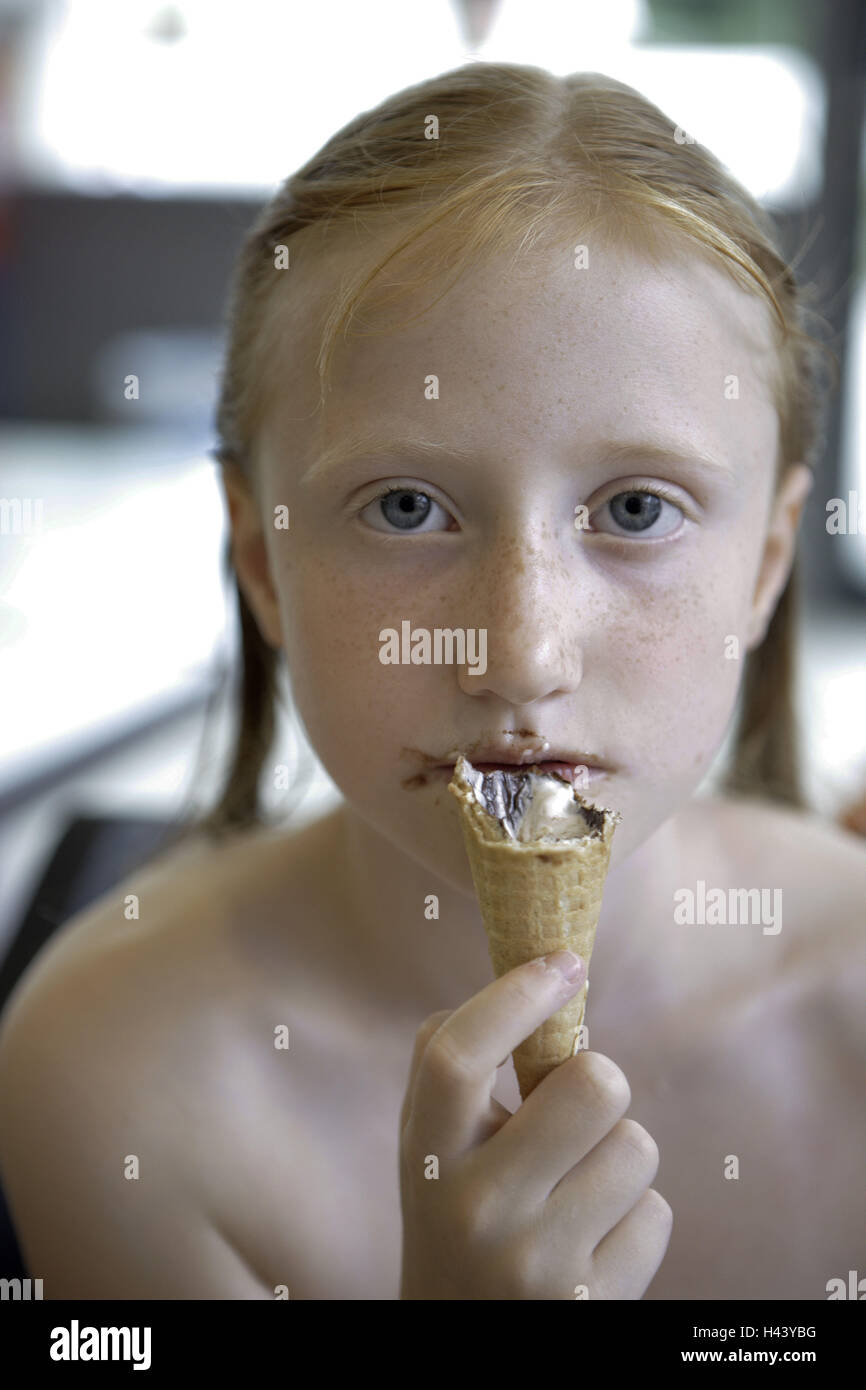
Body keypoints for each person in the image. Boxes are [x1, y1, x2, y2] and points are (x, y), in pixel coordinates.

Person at [1, 62, 864, 1301]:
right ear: (260, 556)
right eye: (406, 507)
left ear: (766, 563)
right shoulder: (113, 1075)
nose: (517, 652)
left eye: (634, 509)